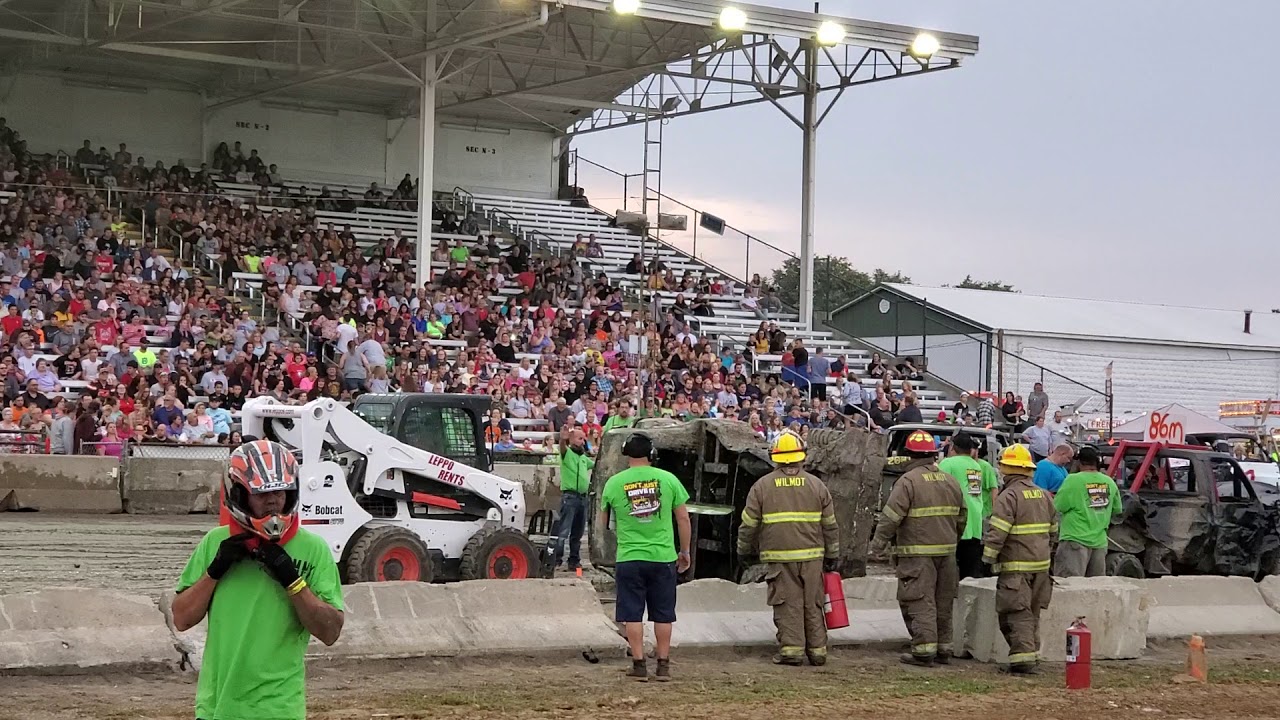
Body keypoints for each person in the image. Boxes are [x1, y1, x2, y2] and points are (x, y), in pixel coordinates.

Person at [170, 440, 344, 719]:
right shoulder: (216, 543)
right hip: (216, 707)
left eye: (281, 491)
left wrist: (293, 581)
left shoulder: (313, 549)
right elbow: (182, 618)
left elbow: (330, 632)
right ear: (239, 495)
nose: (274, 500)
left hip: (278, 709)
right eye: (262, 494)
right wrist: (215, 571)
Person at [736, 431, 840, 666]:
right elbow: (830, 526)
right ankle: (818, 651)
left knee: (787, 604)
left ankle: (792, 652)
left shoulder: (762, 486)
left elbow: (748, 525)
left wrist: (744, 550)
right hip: (813, 557)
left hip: (780, 558)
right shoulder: (817, 485)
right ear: (801, 457)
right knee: (813, 602)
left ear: (775, 458)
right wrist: (833, 554)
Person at [598, 434, 692, 682]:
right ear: (651, 454)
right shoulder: (668, 479)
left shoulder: (613, 483)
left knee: (632, 613)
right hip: (663, 557)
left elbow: (603, 524)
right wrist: (685, 551)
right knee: (663, 614)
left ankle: (639, 664)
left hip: (629, 557)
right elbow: (683, 518)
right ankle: (663, 665)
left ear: (626, 454)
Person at [869, 430, 966, 666]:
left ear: (910, 455)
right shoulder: (950, 481)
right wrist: (951, 540)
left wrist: (878, 544)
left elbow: (891, 517)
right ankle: (944, 648)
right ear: (933, 455)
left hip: (917, 554)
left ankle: (923, 650)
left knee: (919, 599)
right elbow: (962, 517)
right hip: (947, 553)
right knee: (943, 601)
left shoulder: (908, 481)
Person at [982, 443, 1056, 675]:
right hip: (1041, 566)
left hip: (1016, 567)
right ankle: (1031, 656)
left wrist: (987, 559)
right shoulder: (1044, 495)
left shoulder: (1009, 496)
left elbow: (998, 532)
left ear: (1006, 469)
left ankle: (1023, 661)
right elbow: (1054, 531)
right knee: (1032, 612)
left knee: (1016, 613)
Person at [1052, 445, 1121, 577]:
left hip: (1074, 540)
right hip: (1099, 544)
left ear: (1079, 462)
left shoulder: (1073, 480)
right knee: (1095, 589)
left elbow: (1058, 506)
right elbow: (1117, 509)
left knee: (1070, 587)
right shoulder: (1109, 482)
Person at [937, 433, 996, 579]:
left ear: (952, 447)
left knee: (948, 570)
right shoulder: (976, 465)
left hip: (955, 524)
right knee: (970, 570)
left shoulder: (947, 464)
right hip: (975, 521)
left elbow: (940, 490)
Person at [549, 428, 593, 571]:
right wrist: (562, 439)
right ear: (572, 439)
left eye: (583, 439)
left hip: (582, 497)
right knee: (564, 530)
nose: (582, 441)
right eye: (580, 438)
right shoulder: (567, 453)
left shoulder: (583, 458)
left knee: (578, 532)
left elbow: (596, 463)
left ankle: (574, 560)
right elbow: (562, 448)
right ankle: (557, 558)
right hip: (570, 496)